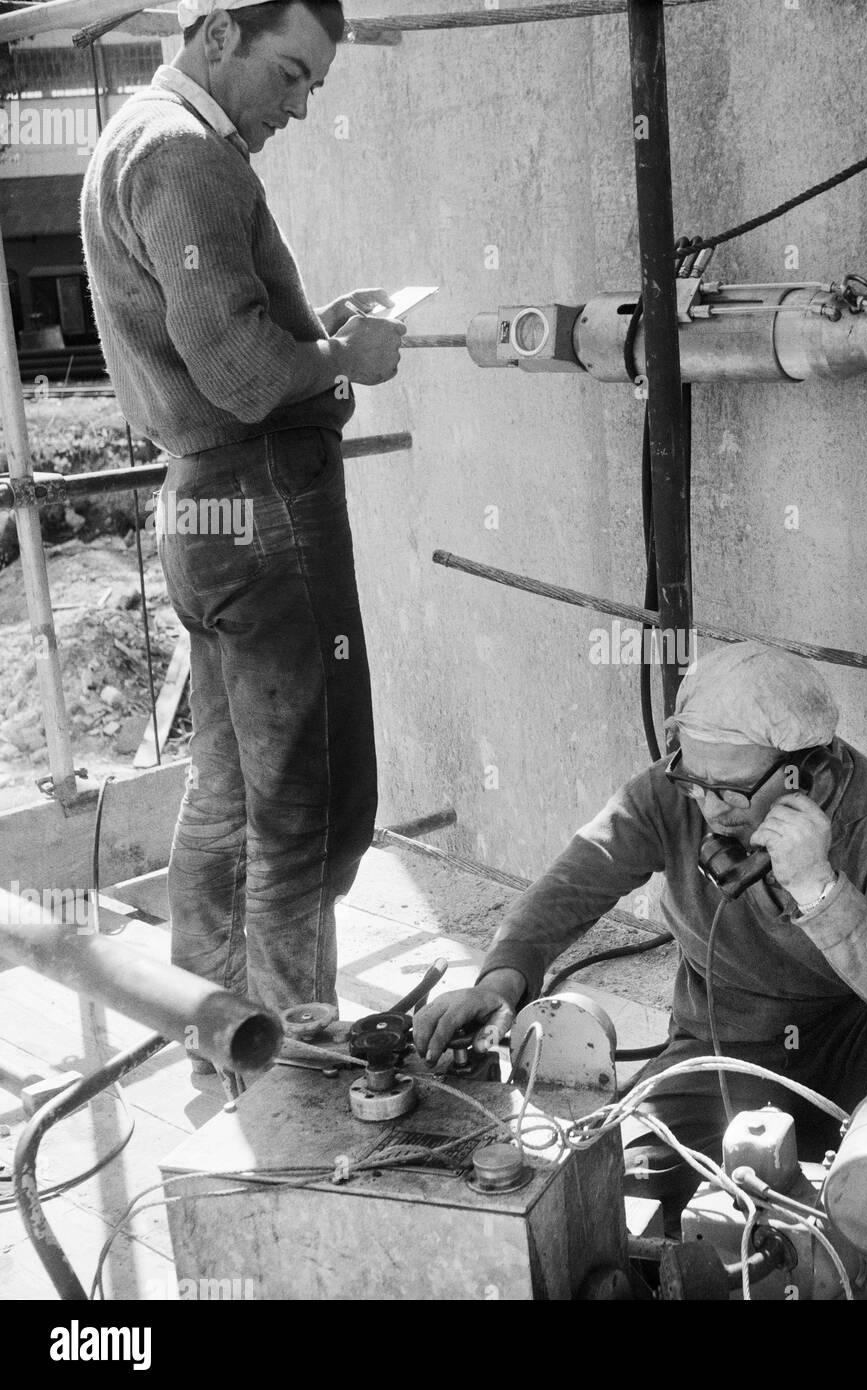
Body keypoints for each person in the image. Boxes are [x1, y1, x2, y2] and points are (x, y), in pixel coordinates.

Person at [415, 641, 867, 1275]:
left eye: (729, 790)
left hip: (856, 1034)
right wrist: (503, 980)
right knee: (610, 1182)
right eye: (693, 781)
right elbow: (571, 885)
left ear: (809, 775)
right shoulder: (676, 792)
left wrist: (820, 886)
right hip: (725, 1040)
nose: (707, 807)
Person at [80, 1, 406, 1052]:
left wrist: (316, 329)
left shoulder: (130, 138)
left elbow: (221, 343)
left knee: (227, 785)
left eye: (313, 87)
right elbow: (246, 372)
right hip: (267, 508)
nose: (300, 107)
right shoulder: (188, 156)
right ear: (217, 34)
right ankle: (296, 1070)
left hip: (204, 508)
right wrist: (342, 359)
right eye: (290, 75)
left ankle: (212, 1026)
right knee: (307, 805)